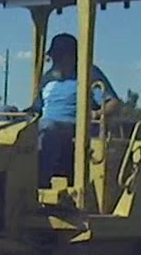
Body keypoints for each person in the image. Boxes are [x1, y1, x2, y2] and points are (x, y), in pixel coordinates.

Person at [28, 32, 121, 185]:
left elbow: (113, 103)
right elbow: (36, 108)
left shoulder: (88, 74)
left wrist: (96, 113)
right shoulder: (48, 78)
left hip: (75, 128)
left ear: (72, 56)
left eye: (59, 56)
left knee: (47, 128)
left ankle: (38, 184)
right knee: (5, 114)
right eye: (53, 57)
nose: (55, 61)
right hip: (45, 124)